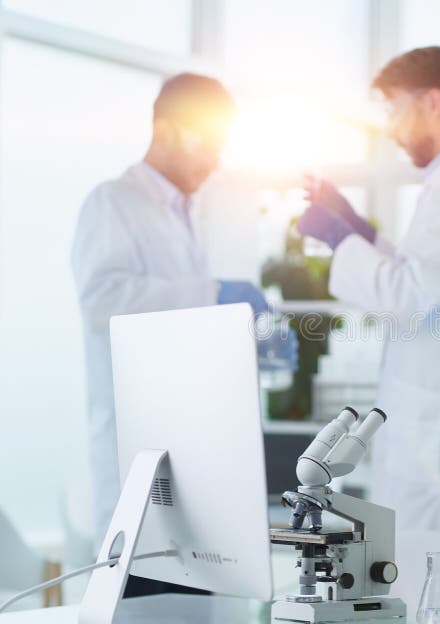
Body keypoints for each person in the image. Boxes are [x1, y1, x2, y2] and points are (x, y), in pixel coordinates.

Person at [296, 47, 440, 533]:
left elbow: (411, 299)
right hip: (436, 415)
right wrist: (356, 226)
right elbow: (428, 277)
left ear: (433, 103)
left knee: (425, 576)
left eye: (395, 110)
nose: (392, 129)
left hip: (437, 429)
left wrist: (340, 238)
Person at [72, 73, 297, 552]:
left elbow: (179, 329)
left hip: (189, 452)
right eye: (207, 142)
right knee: (139, 593)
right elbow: (103, 304)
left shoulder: (185, 213)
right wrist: (212, 290)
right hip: (134, 453)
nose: (216, 159)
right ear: (166, 129)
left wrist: (245, 347)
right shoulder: (112, 202)